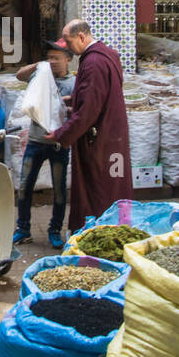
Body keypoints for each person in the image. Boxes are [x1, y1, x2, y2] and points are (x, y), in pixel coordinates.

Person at [48, 20, 133, 233]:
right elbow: (99, 95)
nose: (67, 46)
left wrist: (61, 134)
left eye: (68, 41)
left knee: (100, 187)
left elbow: (89, 111)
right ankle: (118, 226)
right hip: (115, 135)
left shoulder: (94, 62)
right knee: (115, 181)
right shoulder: (108, 55)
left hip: (100, 140)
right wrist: (74, 100)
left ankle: (99, 232)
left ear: (82, 37)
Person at [13, 40, 76, 248]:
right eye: (50, 58)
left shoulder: (74, 83)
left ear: (68, 59)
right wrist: (39, 65)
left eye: (56, 58)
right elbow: (19, 75)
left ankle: (55, 230)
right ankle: (23, 229)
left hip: (59, 144)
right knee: (24, 187)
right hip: (35, 140)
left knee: (59, 190)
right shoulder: (40, 76)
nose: (53, 62)